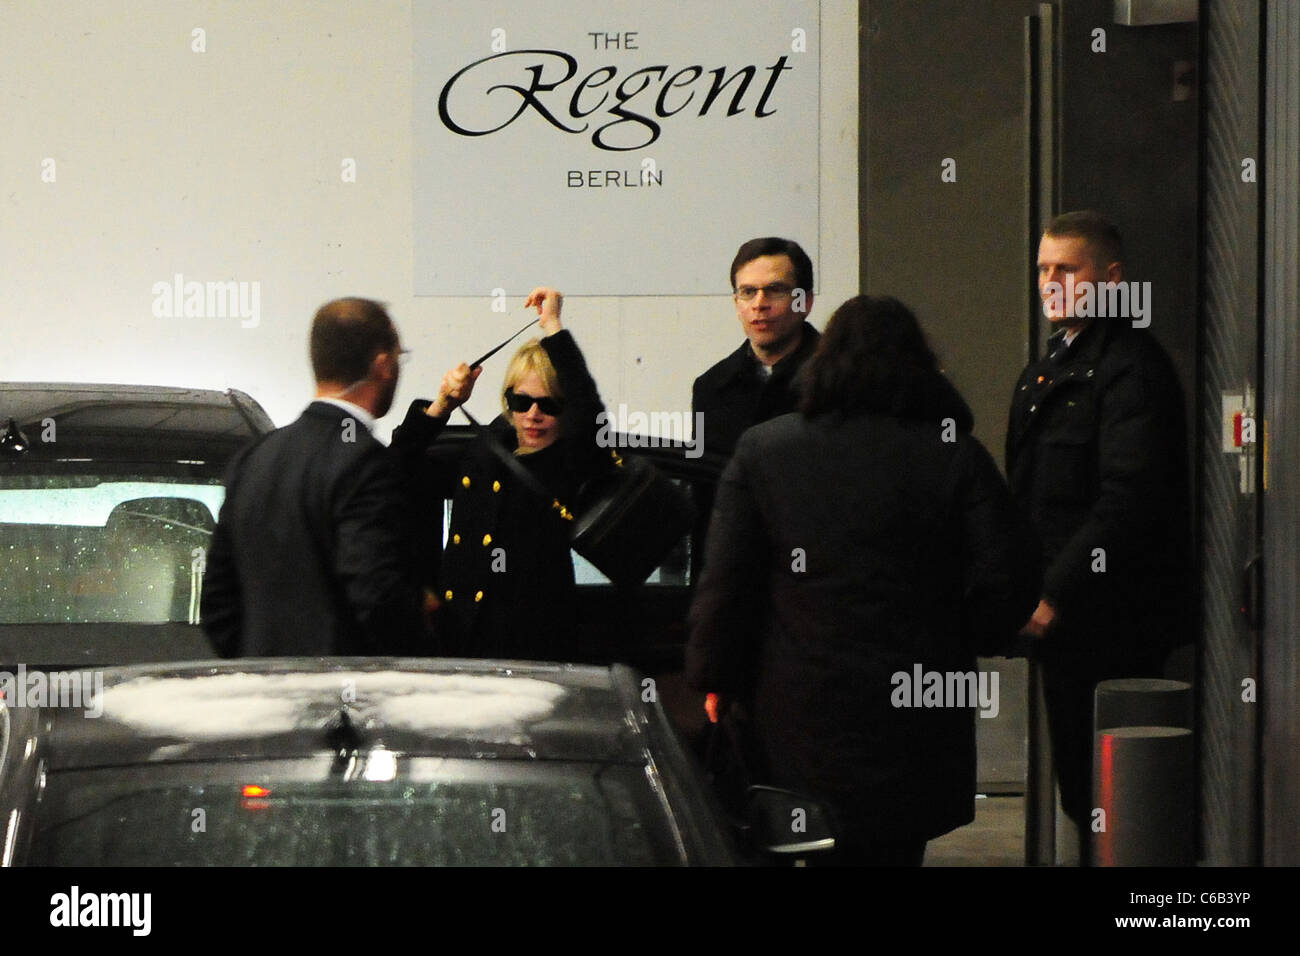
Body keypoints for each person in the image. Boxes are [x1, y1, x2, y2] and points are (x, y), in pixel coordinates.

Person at [687, 295, 1040, 866]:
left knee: (804, 842)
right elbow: (1012, 573)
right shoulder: (953, 454)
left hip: (797, 707)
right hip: (917, 710)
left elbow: (725, 583)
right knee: (894, 850)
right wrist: (963, 637)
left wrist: (713, 678)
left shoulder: (766, 450)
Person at [1006, 210, 1191, 862]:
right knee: (1081, 789)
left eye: (1067, 269)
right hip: (1065, 622)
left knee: (1112, 795)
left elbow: (1128, 501)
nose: (1051, 282)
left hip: (1112, 619)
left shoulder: (1129, 370)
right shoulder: (1050, 367)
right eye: (1042, 270)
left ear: (1110, 278)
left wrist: (1055, 591)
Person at [390, 287, 609, 661]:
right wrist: (442, 404)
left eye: (549, 404)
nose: (532, 414)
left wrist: (553, 326)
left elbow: (591, 414)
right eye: (521, 402)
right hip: (462, 637)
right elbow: (397, 468)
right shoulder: (484, 448)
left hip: (533, 643)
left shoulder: (571, 458)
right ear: (508, 400)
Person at [201, 297, 427, 657]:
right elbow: (378, 601)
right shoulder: (367, 462)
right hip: (342, 703)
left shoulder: (252, 459)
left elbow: (218, 607)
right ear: (382, 364)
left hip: (262, 700)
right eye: (399, 357)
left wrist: (260, 672)